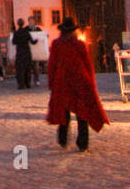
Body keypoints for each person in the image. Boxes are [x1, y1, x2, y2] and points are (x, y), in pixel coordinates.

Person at [46, 17, 108, 152]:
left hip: (62, 81)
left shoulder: (57, 44)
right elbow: (88, 65)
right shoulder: (80, 45)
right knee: (82, 112)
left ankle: (63, 140)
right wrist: (91, 83)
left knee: (64, 112)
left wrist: (51, 83)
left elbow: (52, 65)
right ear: (74, 31)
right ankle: (82, 143)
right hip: (80, 81)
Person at [11, 18, 34, 89]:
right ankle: (28, 83)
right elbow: (32, 41)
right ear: (23, 23)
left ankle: (21, 84)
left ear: (18, 24)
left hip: (20, 52)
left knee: (20, 69)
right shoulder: (26, 32)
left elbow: (13, 42)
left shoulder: (16, 33)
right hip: (26, 52)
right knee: (27, 68)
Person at [27, 15, 44, 86]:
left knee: (36, 67)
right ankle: (28, 80)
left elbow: (42, 35)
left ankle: (36, 80)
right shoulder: (26, 29)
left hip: (36, 51)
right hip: (29, 50)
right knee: (28, 66)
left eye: (32, 21)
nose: (31, 22)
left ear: (34, 21)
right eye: (30, 21)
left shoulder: (38, 29)